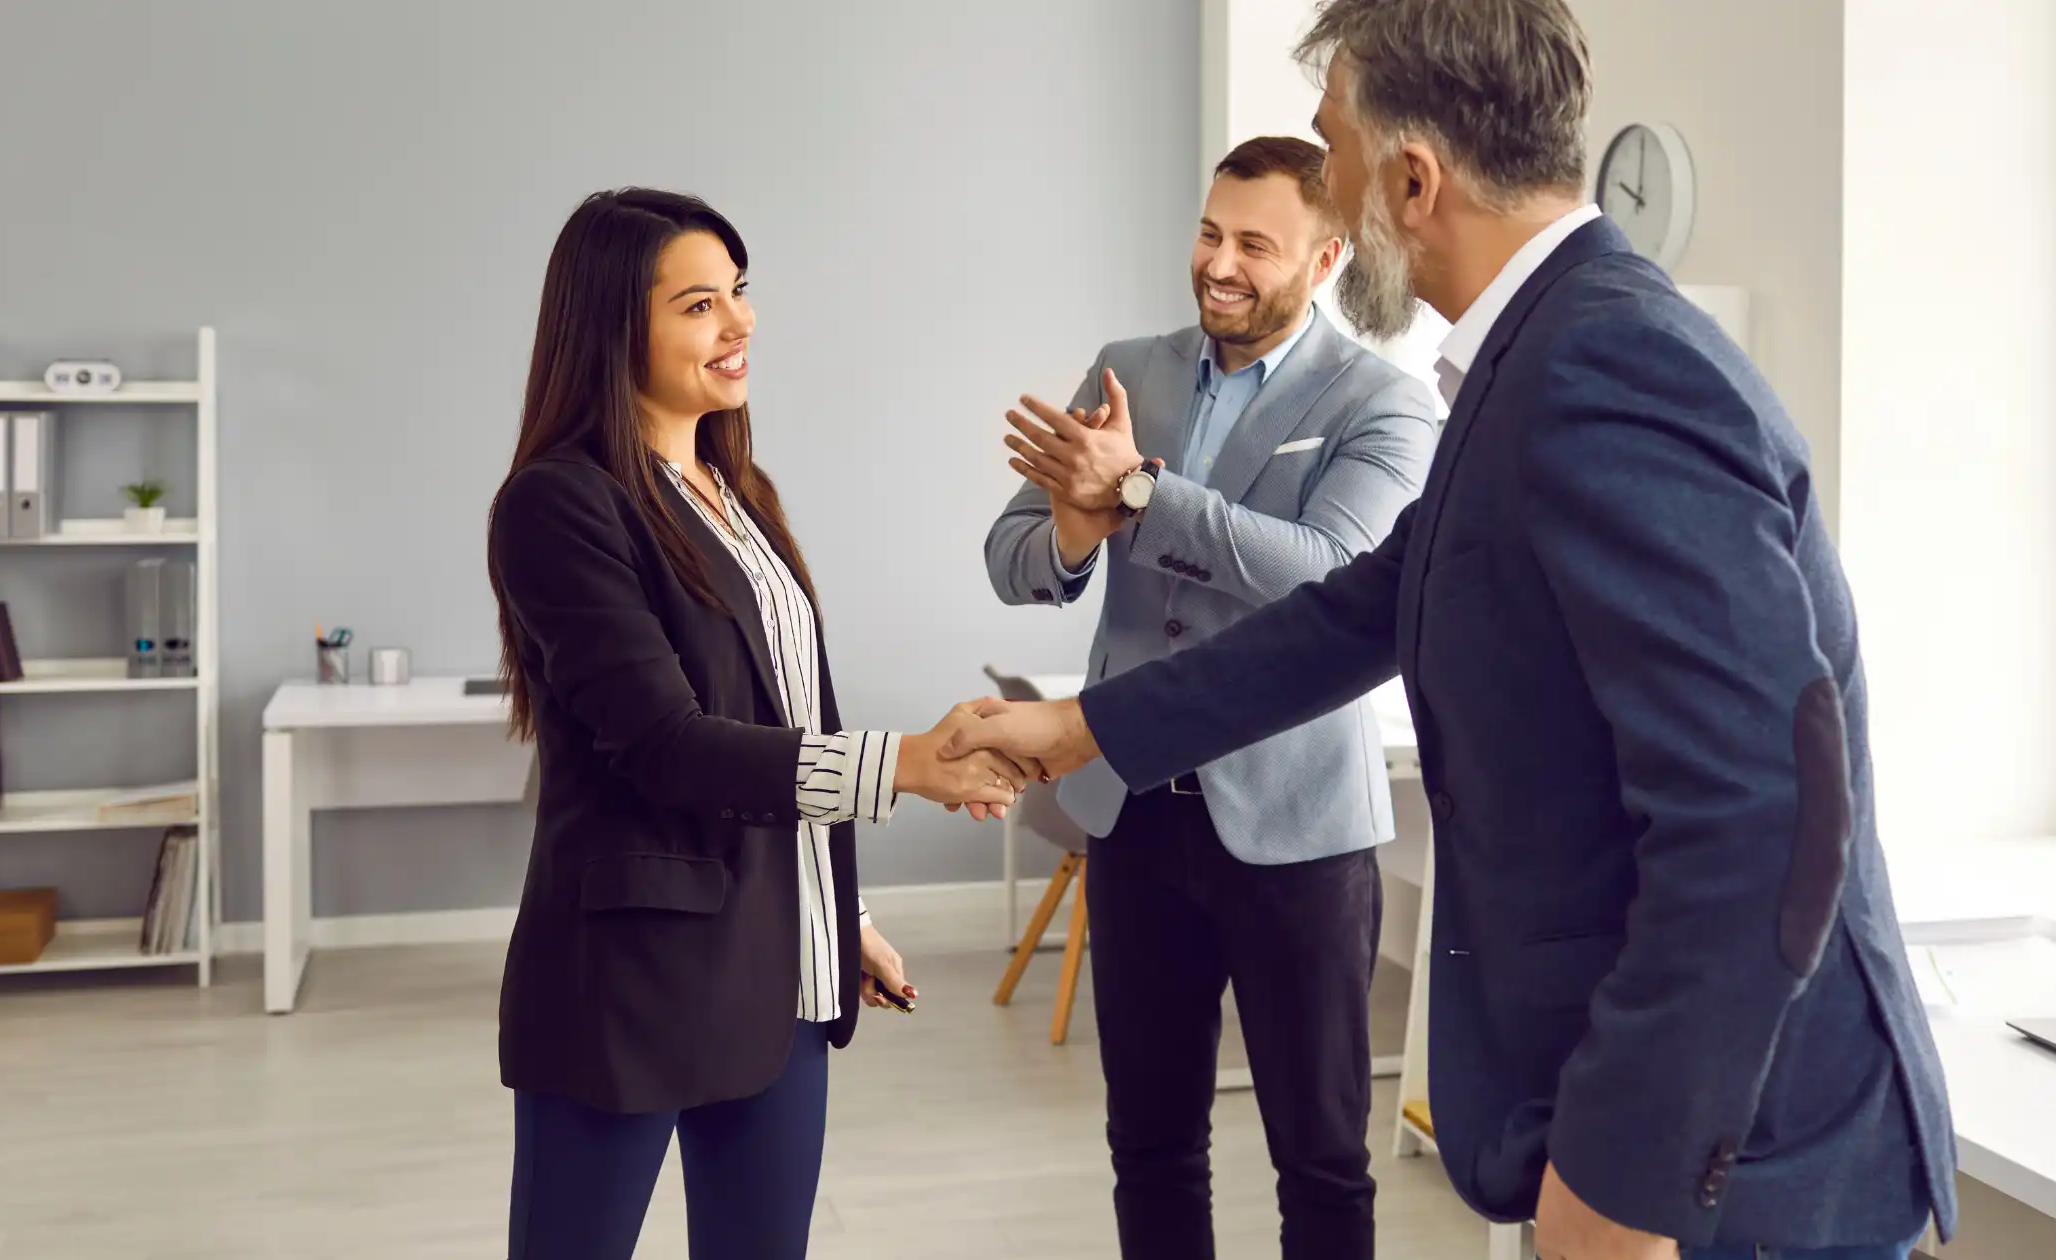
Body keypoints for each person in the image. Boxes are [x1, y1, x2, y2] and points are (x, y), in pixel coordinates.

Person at [948, 3, 1960, 1259]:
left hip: (1731, 1168)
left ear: (1411, 178)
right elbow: (1370, 607)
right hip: (1689, 1138)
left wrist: (1623, 1178)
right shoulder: (1542, 349)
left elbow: (1760, 811)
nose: (1332, 181)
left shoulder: (1603, 365)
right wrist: (1081, 725)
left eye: (1338, 151)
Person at [485, 187, 1031, 1260]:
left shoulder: (736, 490)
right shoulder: (559, 505)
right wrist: (908, 765)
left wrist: (837, 916)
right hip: (629, 987)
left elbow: (778, 721)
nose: (738, 324)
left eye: (738, 294)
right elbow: (670, 746)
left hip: (776, 971)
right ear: (611, 327)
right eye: (698, 304)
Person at [985, 135, 1436, 1259]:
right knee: (1146, 1140)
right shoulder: (1124, 368)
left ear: (1325, 256)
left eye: (1252, 244)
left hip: (1299, 830)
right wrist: (1074, 530)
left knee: (1321, 1160)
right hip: (1132, 811)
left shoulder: (1384, 403)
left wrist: (1138, 490)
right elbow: (1009, 558)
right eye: (1207, 232)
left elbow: (1331, 578)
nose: (1217, 263)